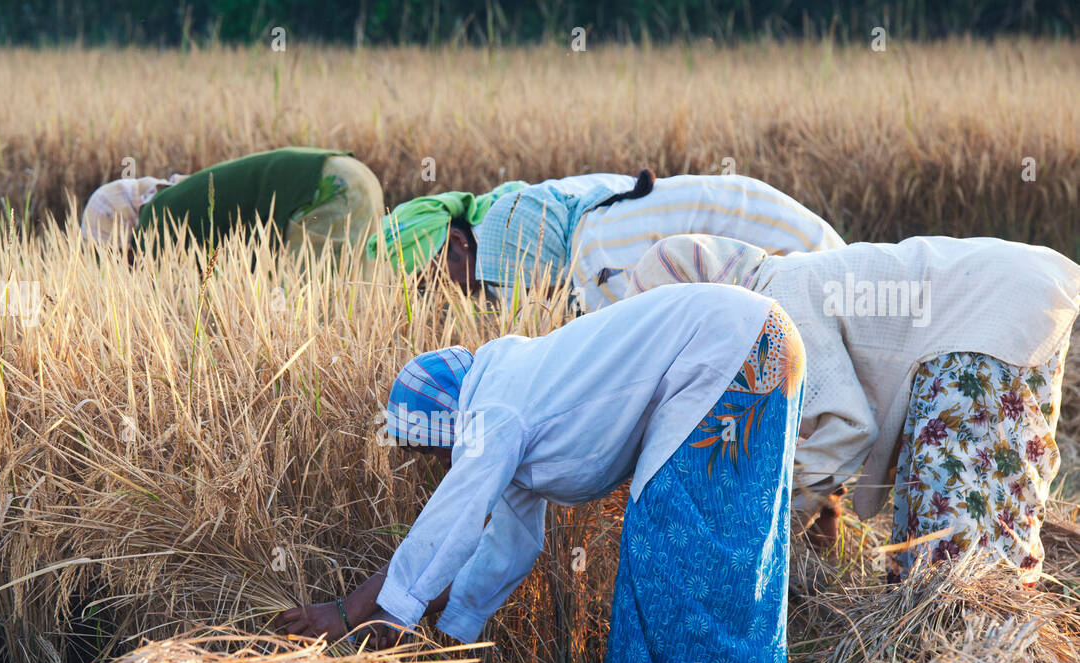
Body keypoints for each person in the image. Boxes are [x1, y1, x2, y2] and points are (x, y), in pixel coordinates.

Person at [277, 283, 806, 663]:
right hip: (765, 339)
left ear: (446, 418)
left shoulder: (494, 410)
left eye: (428, 450)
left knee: (672, 546)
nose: (437, 464)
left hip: (732, 348)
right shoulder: (517, 396)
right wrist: (436, 620)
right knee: (734, 540)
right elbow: (511, 544)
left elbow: (455, 514)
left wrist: (352, 610)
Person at [630, 233, 1080, 582]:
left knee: (957, 512)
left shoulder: (780, 303)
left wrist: (779, 517)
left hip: (990, 307)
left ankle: (977, 652)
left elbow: (847, 427)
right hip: (1017, 293)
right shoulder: (777, 285)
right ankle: (970, 640)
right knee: (969, 489)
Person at [460, 171, 845, 309]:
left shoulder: (599, 261)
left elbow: (644, 348)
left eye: (520, 283)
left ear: (532, 255)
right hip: (814, 252)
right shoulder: (600, 216)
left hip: (810, 277)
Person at [81, 147, 384, 258]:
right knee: (356, 288)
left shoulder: (156, 221)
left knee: (312, 306)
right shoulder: (181, 197)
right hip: (349, 174)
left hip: (326, 188)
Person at [364, 181, 527, 288]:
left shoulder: (509, 247)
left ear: (458, 239)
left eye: (437, 278)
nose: (440, 292)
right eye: (424, 287)